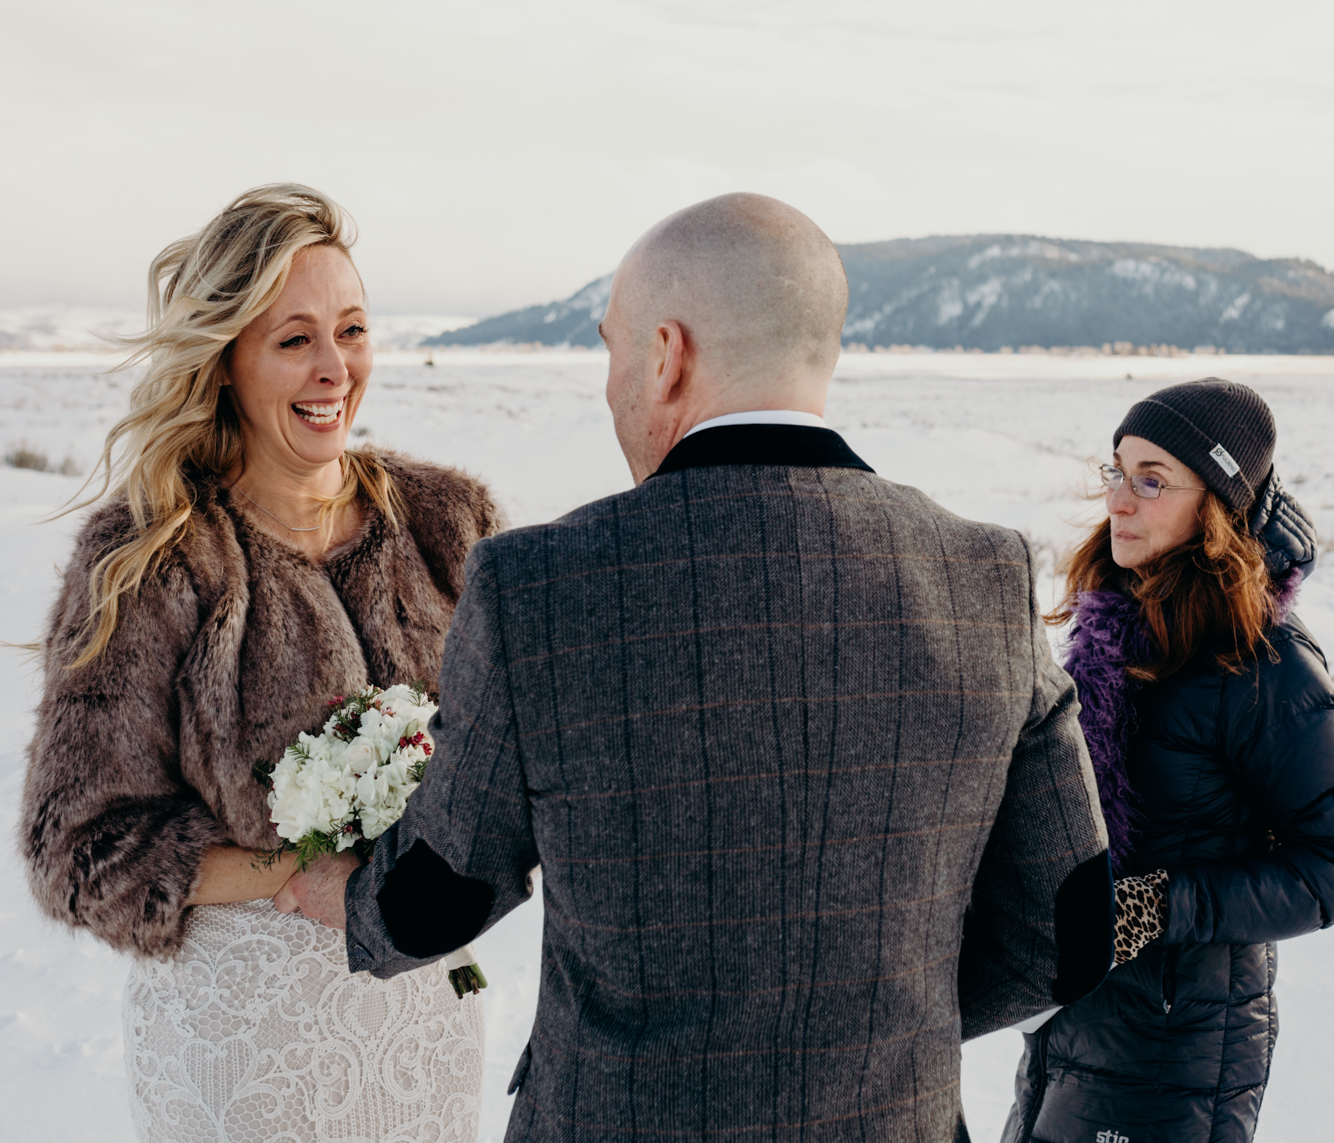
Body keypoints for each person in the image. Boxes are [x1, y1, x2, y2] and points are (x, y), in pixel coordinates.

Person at [276, 192, 1116, 1141]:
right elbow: (1073, 925)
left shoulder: (539, 585)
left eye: (612, 349)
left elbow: (444, 890)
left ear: (666, 355)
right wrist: (884, 1026)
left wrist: (349, 900)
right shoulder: (985, 576)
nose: (611, 387)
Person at [18, 184, 503, 1142]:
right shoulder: (153, 556)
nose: (335, 368)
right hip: (245, 1048)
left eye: (352, 329)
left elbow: (517, 764)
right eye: (294, 339)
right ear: (226, 362)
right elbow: (75, 849)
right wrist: (294, 870)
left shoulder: (450, 524)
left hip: (424, 1034)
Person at [1002, 379, 1334, 1141]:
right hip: (1075, 1026)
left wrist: (1161, 905)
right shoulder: (1113, 637)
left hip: (1175, 1050)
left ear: (1217, 507)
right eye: (1117, 471)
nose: (1118, 500)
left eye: (1152, 480)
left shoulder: (1262, 660)